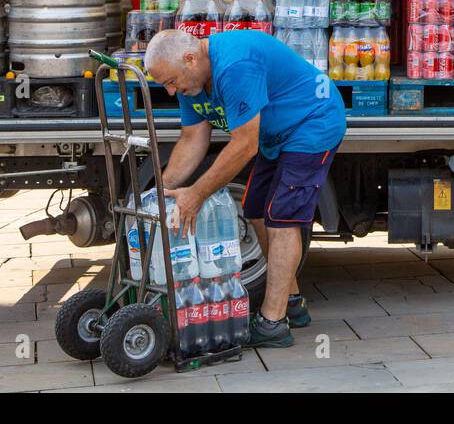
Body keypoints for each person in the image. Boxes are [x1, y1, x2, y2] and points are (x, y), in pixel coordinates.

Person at [143, 27, 346, 348]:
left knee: (282, 219)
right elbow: (192, 139)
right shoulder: (190, 84)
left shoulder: (235, 65)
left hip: (312, 122)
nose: (170, 92)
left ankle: (273, 322)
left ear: (191, 59)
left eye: (170, 82)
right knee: (254, 210)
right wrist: (156, 194)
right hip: (276, 134)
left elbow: (244, 145)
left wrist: (196, 194)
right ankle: (292, 302)